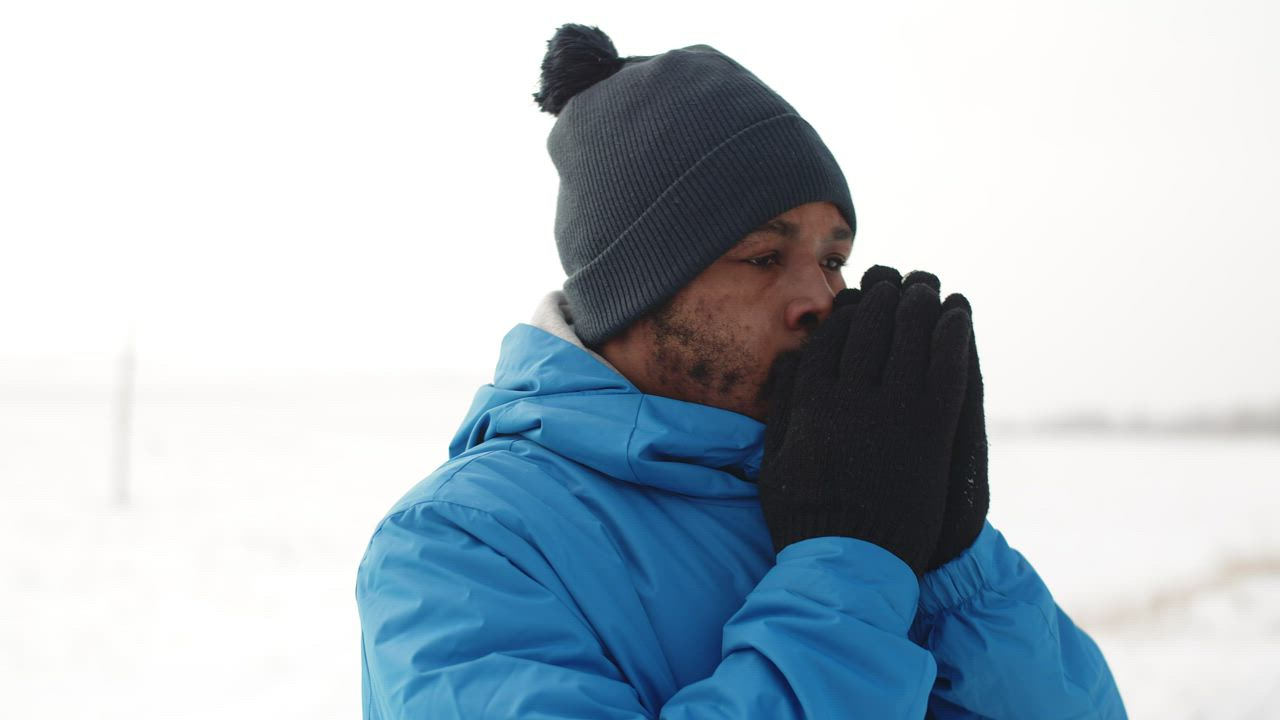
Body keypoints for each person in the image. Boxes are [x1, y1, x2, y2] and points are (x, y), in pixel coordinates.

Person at [355, 23, 1127, 719]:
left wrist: (955, 561)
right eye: (764, 257)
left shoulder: (838, 485)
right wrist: (851, 567)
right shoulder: (464, 543)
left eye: (833, 259)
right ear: (636, 291)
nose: (822, 299)